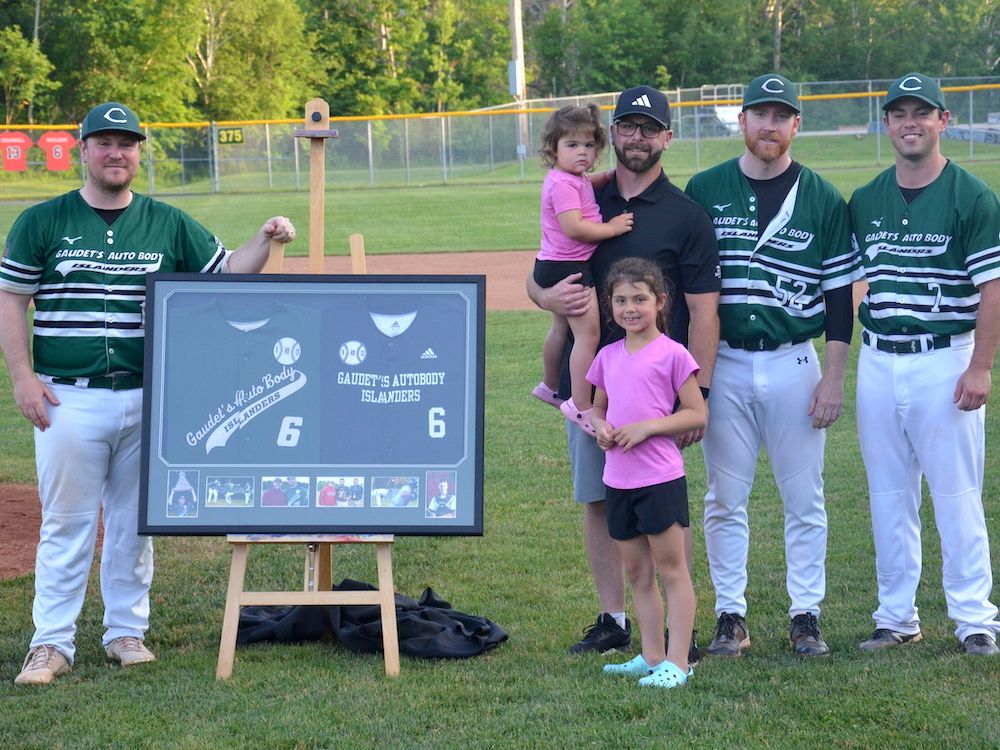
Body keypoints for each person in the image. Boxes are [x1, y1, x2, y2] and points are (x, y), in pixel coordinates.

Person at [0, 100, 297, 686]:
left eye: (128, 143)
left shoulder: (167, 222)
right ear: (82, 150)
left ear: (139, 153)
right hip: (68, 397)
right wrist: (21, 377)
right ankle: (51, 644)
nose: (117, 153)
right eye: (105, 142)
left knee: (137, 524)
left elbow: (228, 274)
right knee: (67, 523)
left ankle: (124, 632)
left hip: (147, 395)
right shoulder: (41, 221)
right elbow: (12, 299)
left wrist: (265, 238)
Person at [528, 85, 721, 658]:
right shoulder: (584, 196)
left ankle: (674, 635)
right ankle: (613, 618)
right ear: (611, 134)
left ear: (667, 137)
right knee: (599, 499)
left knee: (659, 504)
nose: (635, 137)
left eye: (648, 127)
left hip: (658, 391)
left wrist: (698, 396)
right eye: (625, 127)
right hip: (593, 389)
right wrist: (544, 298)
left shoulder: (686, 215)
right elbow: (541, 277)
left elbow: (704, 310)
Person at [684, 73, 861, 658]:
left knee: (804, 497)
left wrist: (833, 378)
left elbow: (840, 297)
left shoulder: (823, 197)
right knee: (723, 497)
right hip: (724, 363)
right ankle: (729, 615)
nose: (769, 124)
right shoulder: (705, 188)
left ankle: (805, 614)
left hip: (793, 361)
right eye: (759, 113)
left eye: (781, 115)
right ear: (742, 120)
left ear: (795, 125)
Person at [848, 73, 1000, 656]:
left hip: (945, 359)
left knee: (957, 493)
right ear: (886, 124)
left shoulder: (973, 195)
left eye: (923, 112)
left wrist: (981, 366)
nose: (910, 122)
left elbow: (993, 288)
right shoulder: (867, 199)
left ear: (944, 120)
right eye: (899, 113)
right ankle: (896, 616)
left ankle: (974, 618)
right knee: (888, 495)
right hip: (880, 361)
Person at [590, 258, 706, 688]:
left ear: (659, 302)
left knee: (672, 569)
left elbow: (697, 413)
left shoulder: (673, 354)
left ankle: (679, 662)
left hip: (659, 478)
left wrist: (648, 427)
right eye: (621, 301)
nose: (630, 308)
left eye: (640, 299)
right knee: (638, 572)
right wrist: (601, 428)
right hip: (619, 480)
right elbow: (597, 408)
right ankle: (652, 654)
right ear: (610, 306)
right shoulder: (607, 356)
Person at [531, 104, 634, 434]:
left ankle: (549, 386)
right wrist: (613, 228)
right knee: (587, 336)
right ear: (554, 148)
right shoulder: (564, 185)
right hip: (570, 268)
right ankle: (581, 405)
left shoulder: (572, 179)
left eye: (589, 146)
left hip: (552, 264)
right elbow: (575, 227)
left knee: (561, 329)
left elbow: (591, 183)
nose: (582, 153)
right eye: (572, 146)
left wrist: (611, 176)